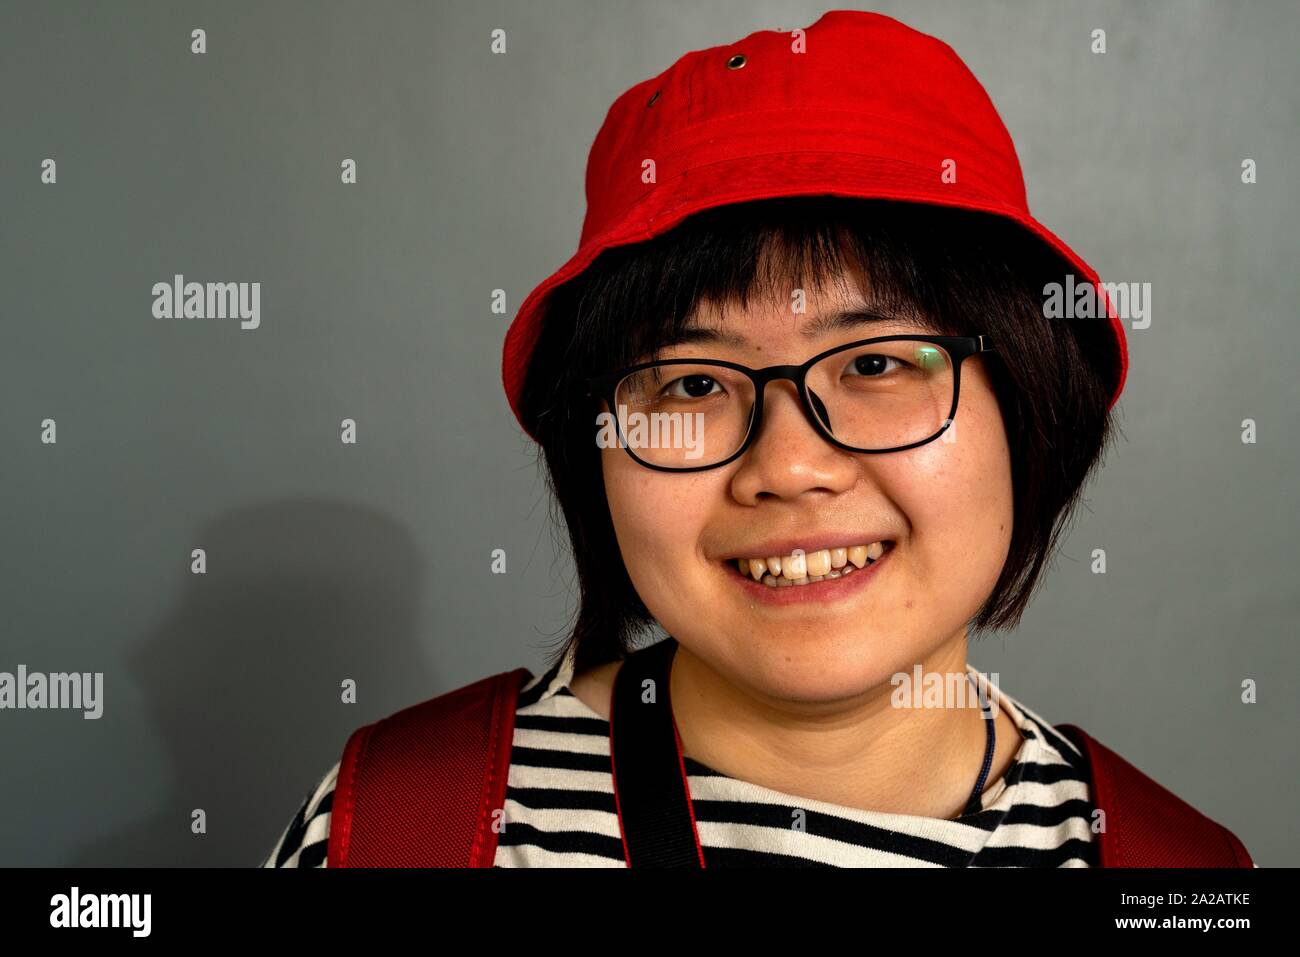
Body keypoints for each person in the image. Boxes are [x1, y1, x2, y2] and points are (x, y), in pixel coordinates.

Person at [262, 10, 1250, 868]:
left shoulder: (1173, 874)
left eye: (873, 365)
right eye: (692, 382)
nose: (786, 467)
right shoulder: (405, 829)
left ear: (1028, 412)